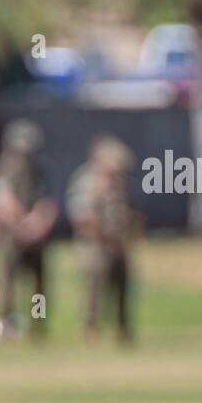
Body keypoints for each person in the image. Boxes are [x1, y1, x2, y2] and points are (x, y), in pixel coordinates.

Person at [66, 135, 138, 343]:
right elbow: (83, 217)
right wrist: (104, 238)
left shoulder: (120, 183)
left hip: (119, 243)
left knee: (123, 288)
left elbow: (127, 212)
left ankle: (122, 329)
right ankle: (91, 330)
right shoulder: (87, 181)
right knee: (94, 290)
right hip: (95, 245)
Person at [0, 119, 58, 338]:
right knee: (7, 283)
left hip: (36, 236)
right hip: (10, 236)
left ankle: (38, 325)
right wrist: (21, 223)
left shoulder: (39, 170)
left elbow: (47, 201)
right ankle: (6, 326)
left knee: (38, 288)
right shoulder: (0, 169)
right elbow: (1, 200)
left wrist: (37, 223)